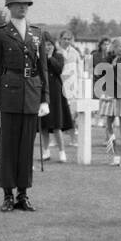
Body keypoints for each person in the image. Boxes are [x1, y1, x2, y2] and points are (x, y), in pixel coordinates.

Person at [0, 0, 49, 212]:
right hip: (8, 96)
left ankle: (23, 194)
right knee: (9, 147)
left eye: (26, 4)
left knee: (26, 149)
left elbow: (43, 69)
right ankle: (8, 195)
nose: (23, 7)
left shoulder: (37, 34)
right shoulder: (0, 34)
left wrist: (44, 99)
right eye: (18, 4)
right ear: (9, 7)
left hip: (31, 95)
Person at [41, 33, 74, 162]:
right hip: (43, 92)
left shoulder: (58, 56)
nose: (48, 47)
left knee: (56, 124)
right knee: (43, 125)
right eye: (45, 45)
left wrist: (50, 58)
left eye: (50, 44)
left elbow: (59, 69)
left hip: (55, 93)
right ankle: (46, 151)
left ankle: (62, 152)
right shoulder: (38, 58)